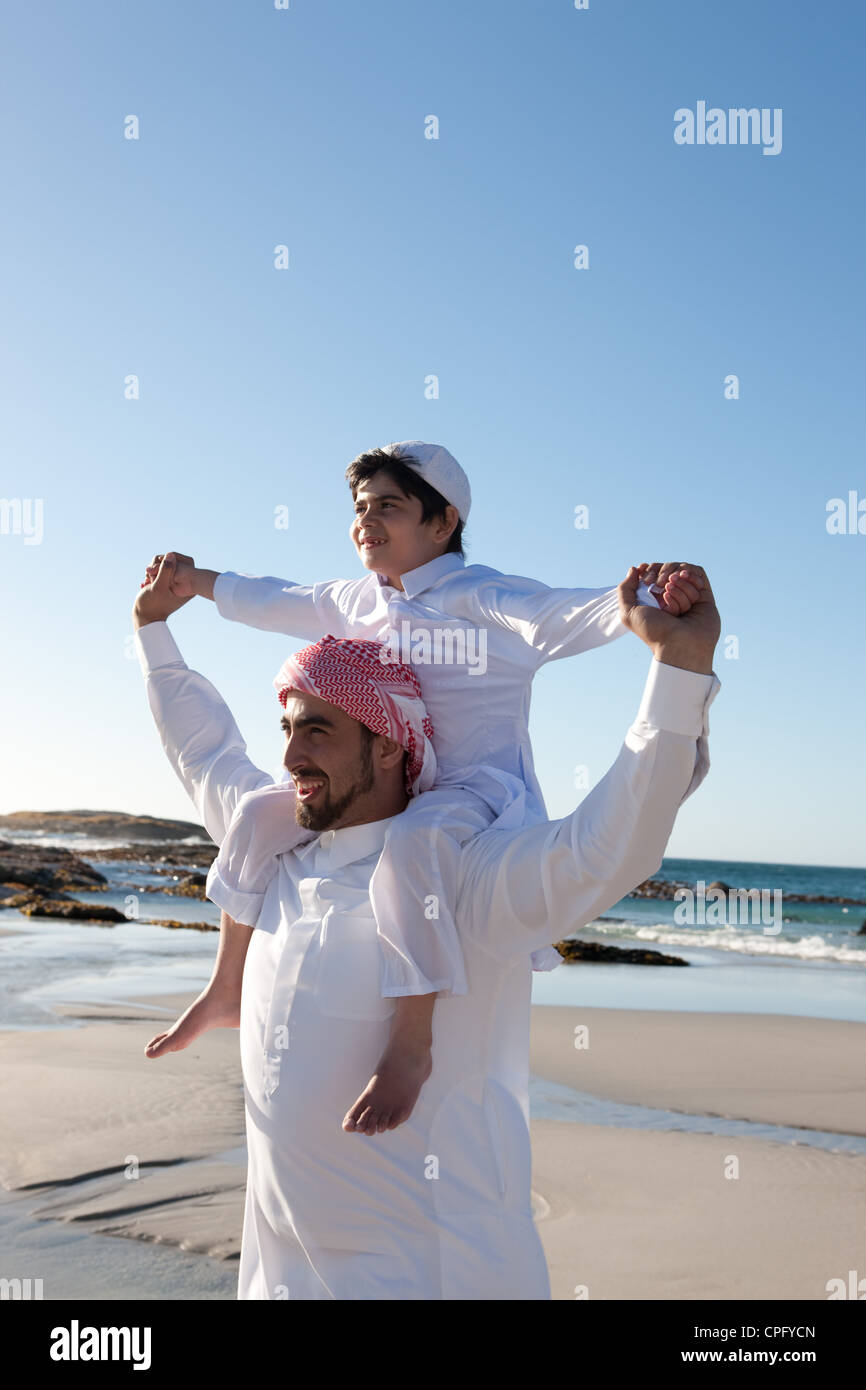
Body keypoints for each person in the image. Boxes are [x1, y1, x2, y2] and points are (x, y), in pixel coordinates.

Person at [133, 553, 721, 1300]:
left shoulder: (465, 880)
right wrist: (153, 630)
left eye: (317, 729)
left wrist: (677, 668)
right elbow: (204, 750)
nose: (289, 755)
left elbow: (607, 847)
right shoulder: (275, 855)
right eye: (286, 728)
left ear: (388, 744)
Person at [141, 440, 705, 1135]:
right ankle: (227, 984)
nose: (366, 521)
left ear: (442, 524)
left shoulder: (483, 596)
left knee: (412, 845)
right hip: (400, 779)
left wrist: (647, 599)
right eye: (359, 507)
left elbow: (563, 615)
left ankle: (412, 1043)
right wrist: (195, 582)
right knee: (258, 816)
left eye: (389, 507)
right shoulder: (355, 601)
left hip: (473, 793)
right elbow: (274, 598)